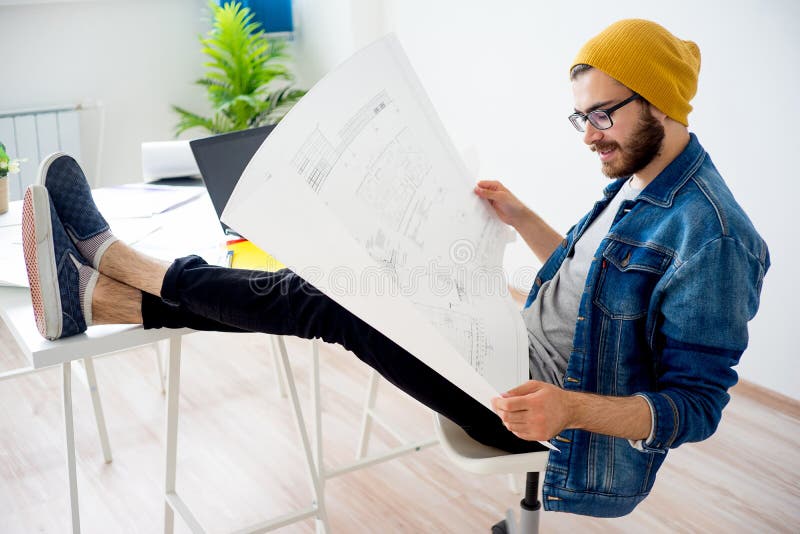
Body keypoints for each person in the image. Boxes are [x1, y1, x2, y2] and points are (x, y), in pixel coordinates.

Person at [21, 19, 769, 518]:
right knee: (348, 278)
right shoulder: (637, 178)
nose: (588, 136)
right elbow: (594, 289)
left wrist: (566, 410)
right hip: (512, 347)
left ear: (661, 103)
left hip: (538, 413)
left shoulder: (714, 236)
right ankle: (102, 297)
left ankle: (118, 262)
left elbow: (695, 407)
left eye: (602, 115)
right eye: (581, 117)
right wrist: (524, 219)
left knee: (334, 301)